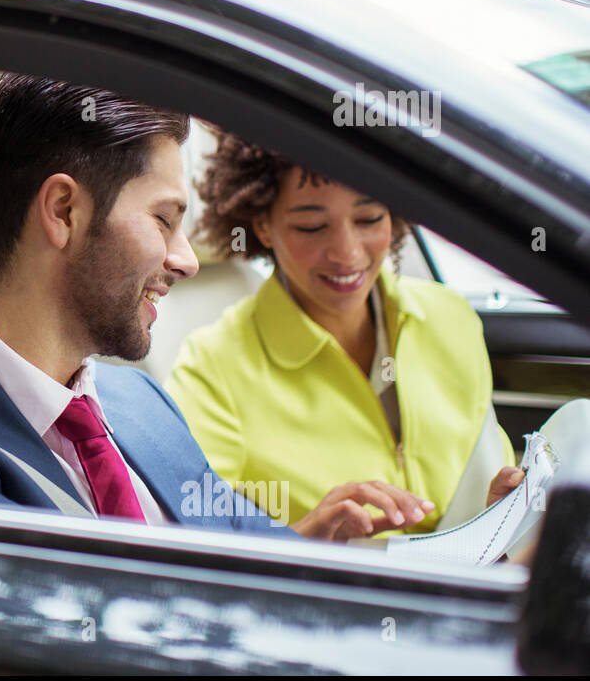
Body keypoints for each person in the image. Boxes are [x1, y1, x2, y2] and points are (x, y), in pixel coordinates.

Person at [0, 74, 302, 534]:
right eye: (163, 220)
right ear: (63, 211)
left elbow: (250, 541)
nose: (186, 261)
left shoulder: (141, 400)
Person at [164, 130, 525, 541]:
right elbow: (193, 551)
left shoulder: (450, 317)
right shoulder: (214, 367)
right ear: (263, 226)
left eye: (369, 219)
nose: (347, 252)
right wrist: (306, 540)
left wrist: (497, 515)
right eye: (312, 226)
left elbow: (479, 478)